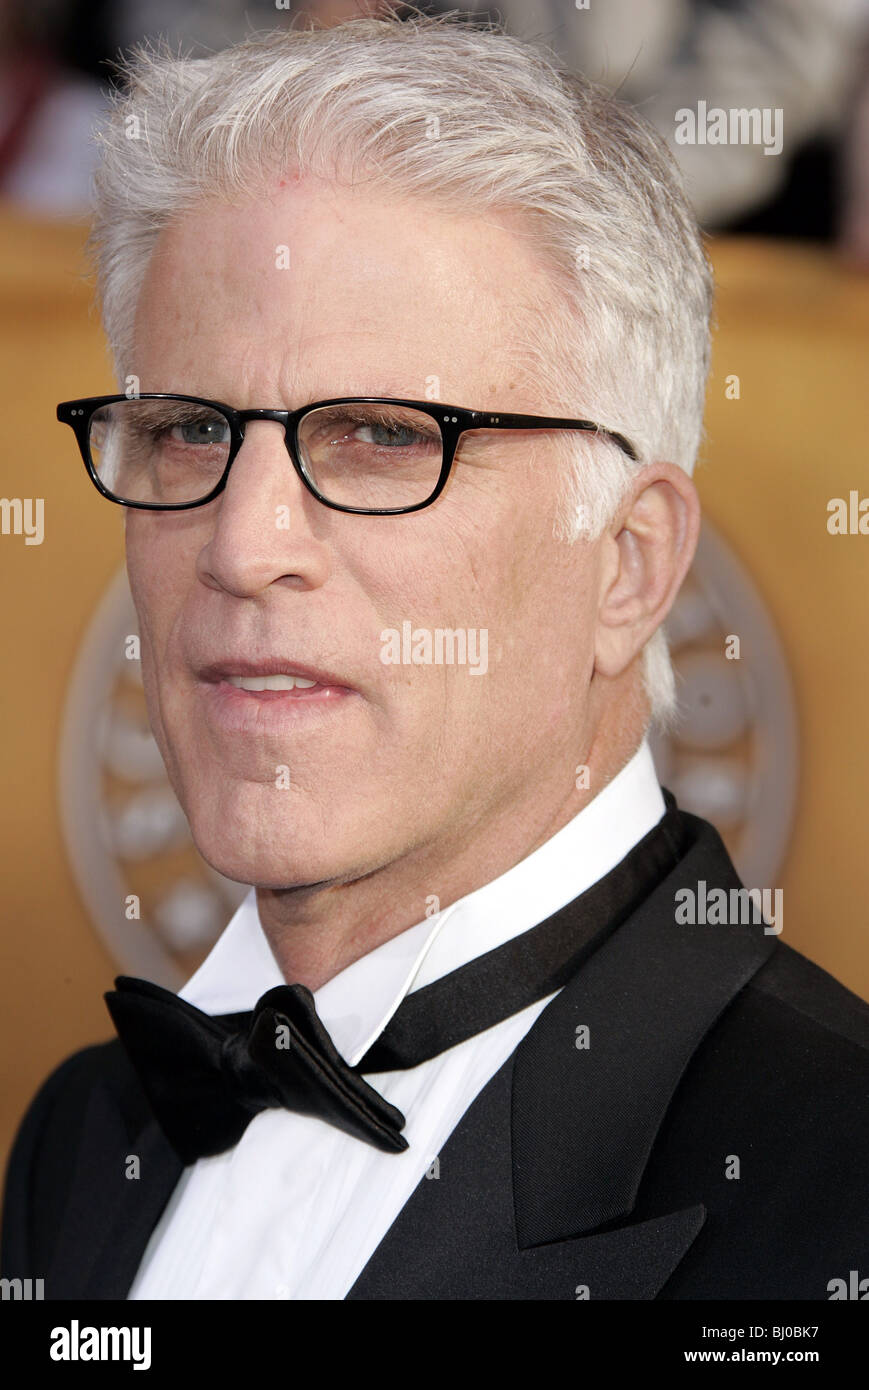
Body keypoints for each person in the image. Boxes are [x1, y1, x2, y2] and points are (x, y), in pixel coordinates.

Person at [2, 11, 867, 1301]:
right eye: (190, 429)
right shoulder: (81, 1143)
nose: (242, 545)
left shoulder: (839, 1198)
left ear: (628, 565)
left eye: (384, 437)